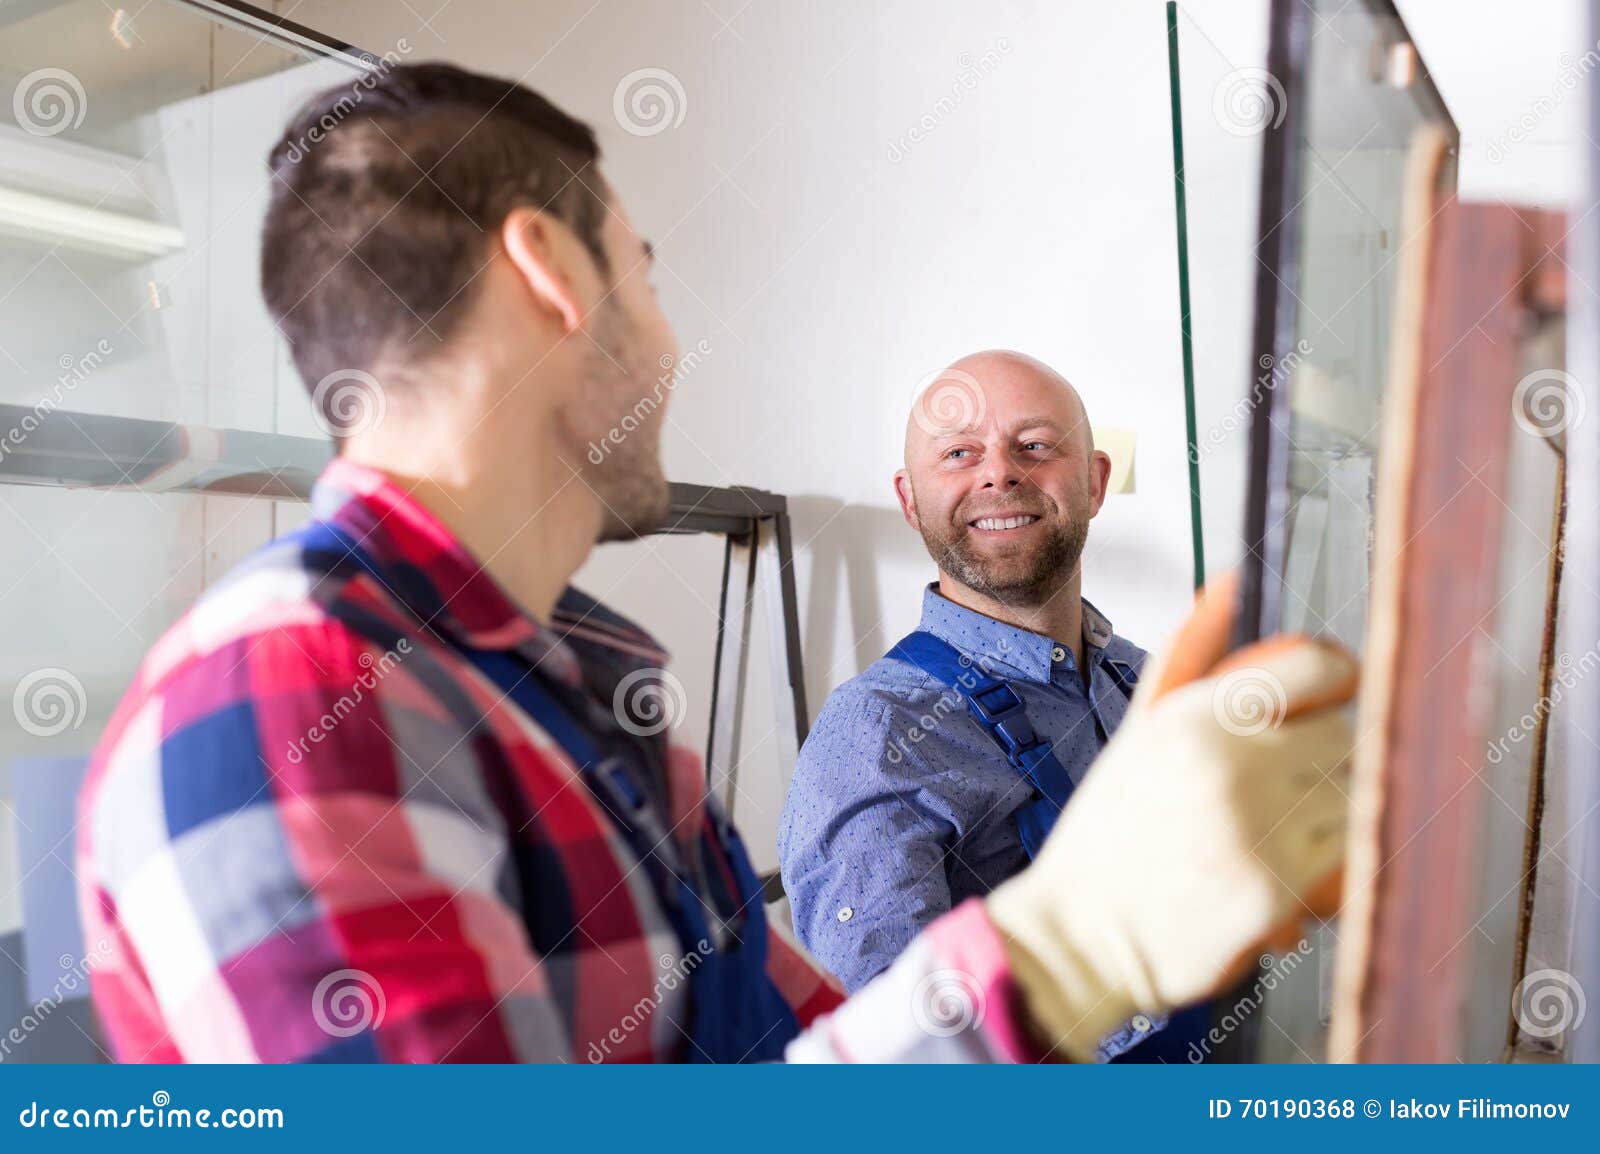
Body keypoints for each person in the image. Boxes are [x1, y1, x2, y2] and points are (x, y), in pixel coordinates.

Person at [76, 62, 1356, 1064]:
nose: (670, 337)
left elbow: (818, 1056)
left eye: (1033, 447)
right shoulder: (290, 701)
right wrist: (1076, 948)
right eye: (644, 272)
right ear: (551, 269)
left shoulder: (585, 695)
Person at [778, 353, 1197, 1059]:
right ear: (911, 502)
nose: (999, 473)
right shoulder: (875, 739)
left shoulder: (1143, 683)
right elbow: (906, 1081)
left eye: (1034, 445)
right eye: (959, 453)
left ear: (1094, 482)